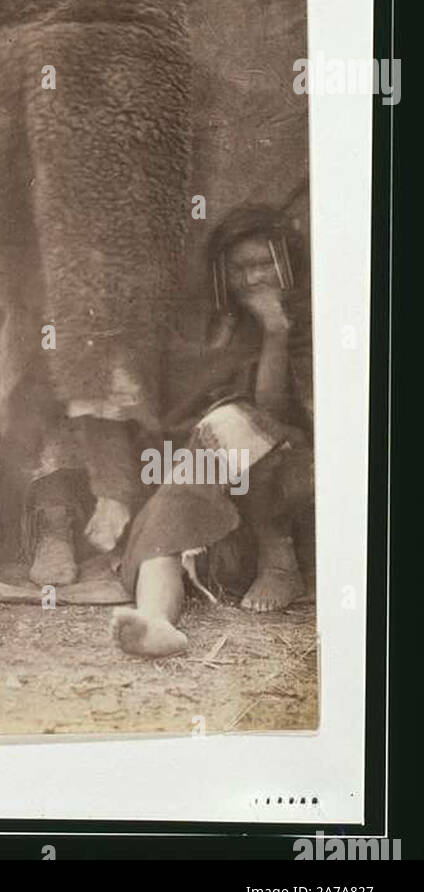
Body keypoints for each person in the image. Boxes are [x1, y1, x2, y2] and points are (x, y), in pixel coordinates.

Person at [0, 0, 192, 587]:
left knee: (91, 322)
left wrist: (57, 46)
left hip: (97, 180)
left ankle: (120, 494)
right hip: (11, 167)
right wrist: (17, 61)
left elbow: (154, 44)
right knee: (29, 327)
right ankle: (53, 516)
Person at [112, 204, 314, 658]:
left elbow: (273, 415)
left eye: (265, 263)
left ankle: (281, 562)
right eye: (241, 267)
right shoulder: (213, 325)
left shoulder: (310, 315)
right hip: (212, 485)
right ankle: (157, 621)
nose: (254, 278)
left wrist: (277, 333)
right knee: (167, 518)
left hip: (285, 483)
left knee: (230, 423)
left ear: (286, 261)